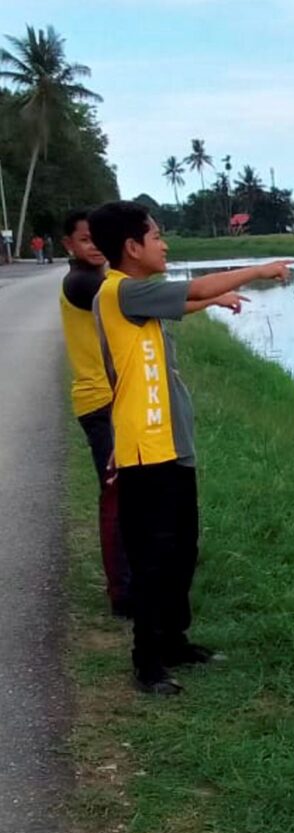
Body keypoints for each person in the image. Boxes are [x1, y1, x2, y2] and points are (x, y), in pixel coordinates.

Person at [88, 200, 294, 694]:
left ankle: (174, 641)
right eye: (156, 237)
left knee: (182, 549)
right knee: (153, 557)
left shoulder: (139, 296)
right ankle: (148, 662)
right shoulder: (120, 291)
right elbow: (194, 287)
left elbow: (187, 300)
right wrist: (258, 270)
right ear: (132, 248)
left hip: (172, 446)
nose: (164, 244)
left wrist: (212, 303)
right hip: (145, 450)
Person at [59, 207, 131, 617]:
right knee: (115, 496)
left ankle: (132, 579)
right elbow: (129, 298)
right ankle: (121, 593)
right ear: (68, 244)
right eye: (85, 241)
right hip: (99, 403)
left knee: (128, 495)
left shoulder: (98, 279)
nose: (95, 248)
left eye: (98, 240)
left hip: (114, 400)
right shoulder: (81, 282)